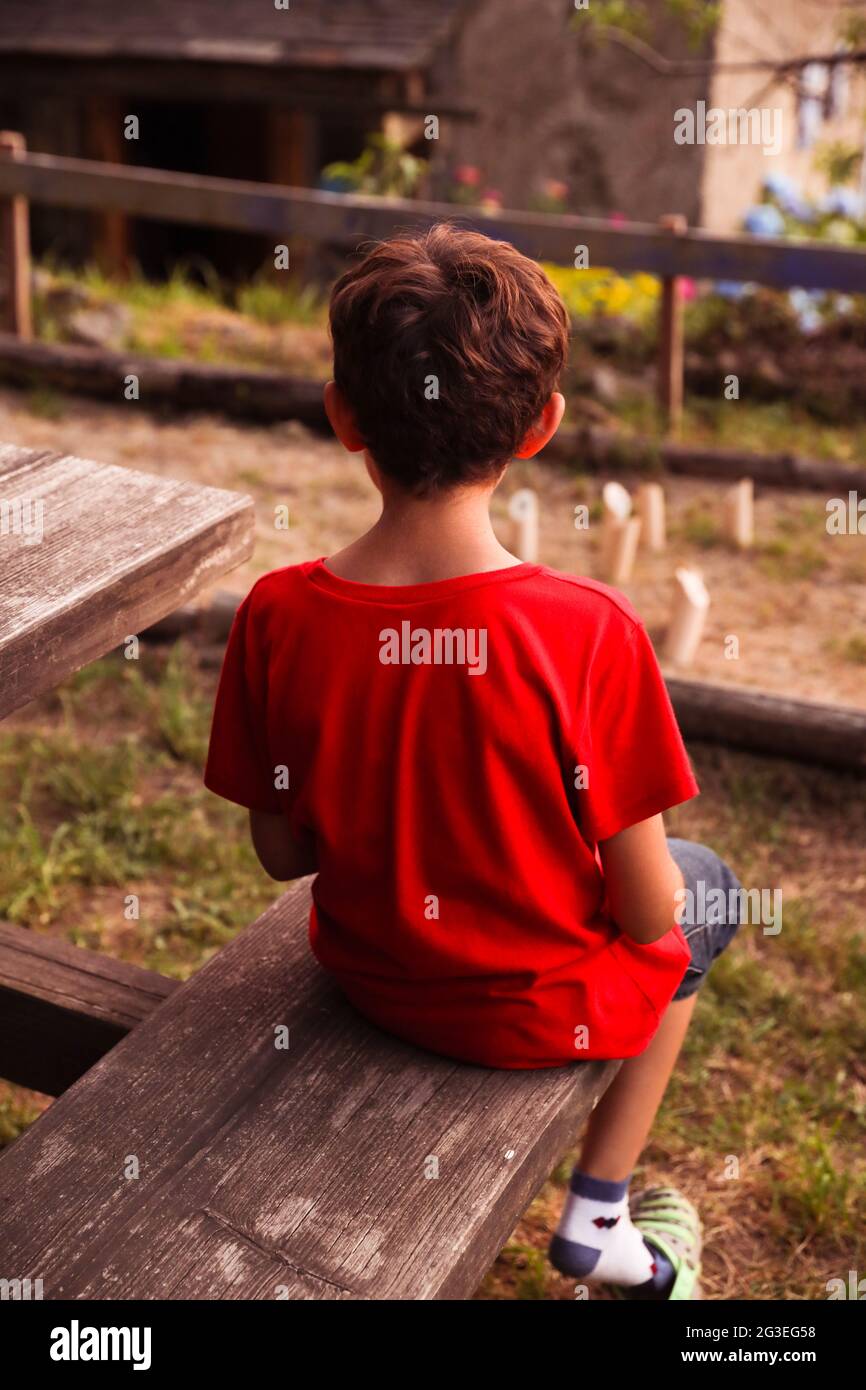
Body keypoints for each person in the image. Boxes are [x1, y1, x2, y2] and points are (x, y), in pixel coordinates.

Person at [204, 224, 741, 1300]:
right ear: (539, 426)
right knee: (708, 885)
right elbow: (642, 916)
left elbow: (278, 855)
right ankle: (599, 1211)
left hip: (371, 977)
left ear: (341, 415)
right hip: (536, 1013)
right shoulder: (587, 630)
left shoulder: (276, 611)